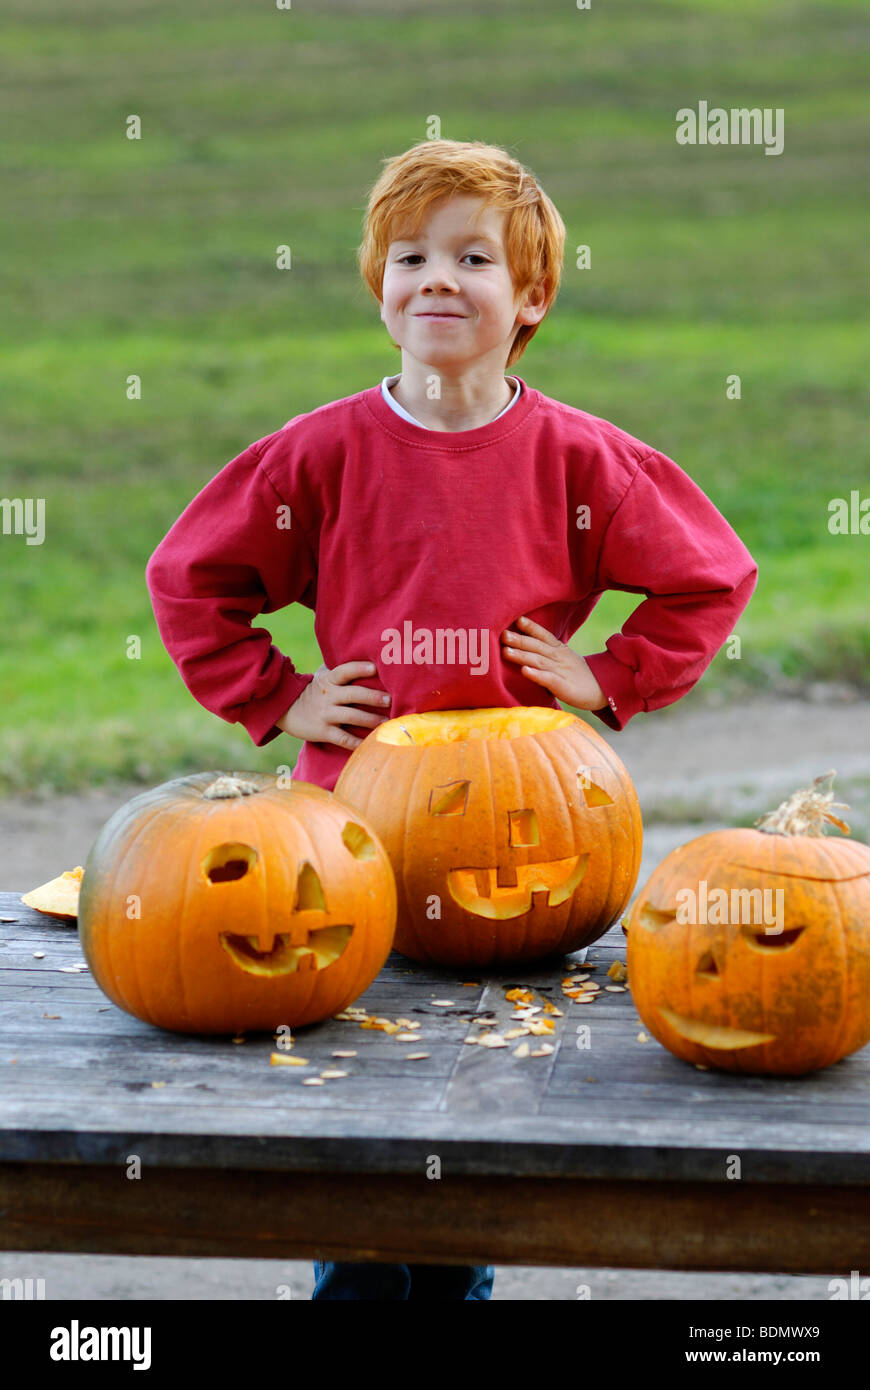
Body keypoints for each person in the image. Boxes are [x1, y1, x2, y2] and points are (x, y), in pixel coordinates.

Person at [145, 138, 758, 1300]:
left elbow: (711, 573)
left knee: (477, 1107)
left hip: (526, 854)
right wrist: (280, 695)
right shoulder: (320, 453)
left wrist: (608, 675)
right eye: (410, 255)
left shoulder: (581, 460)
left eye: (473, 257)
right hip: (347, 848)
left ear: (528, 298)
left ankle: (462, 1286)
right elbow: (188, 576)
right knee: (365, 1114)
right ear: (379, 286)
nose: (437, 277)